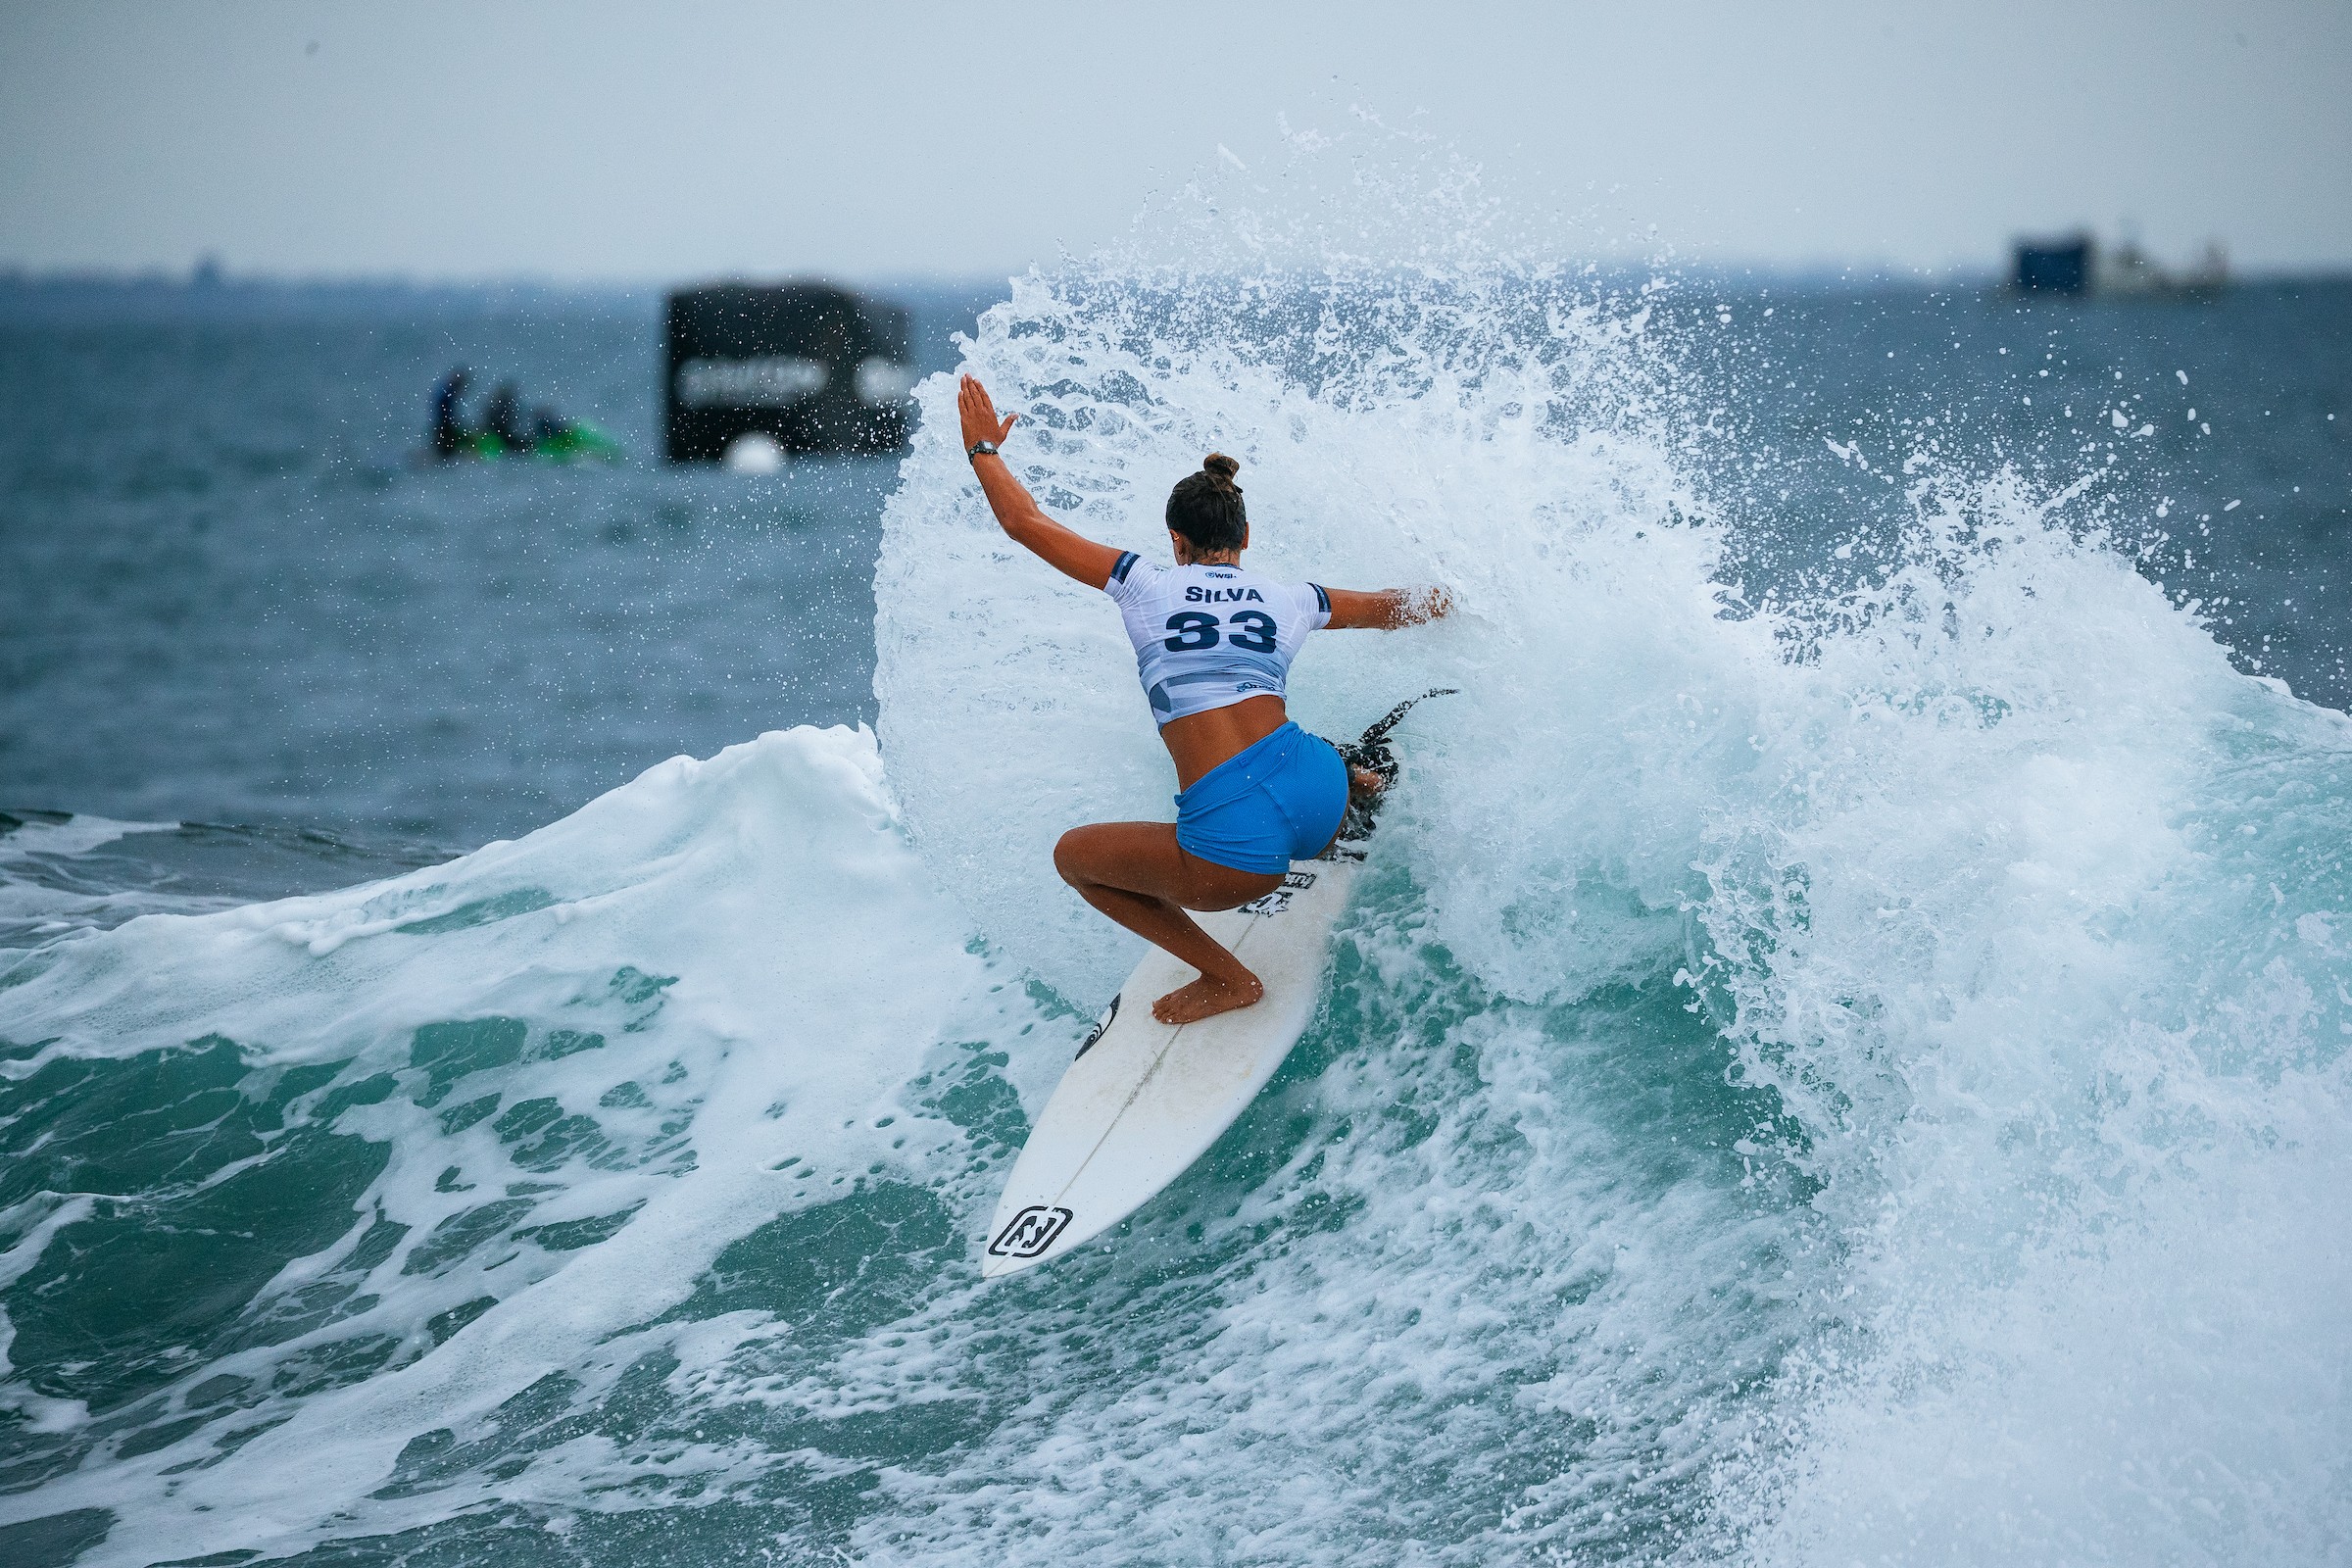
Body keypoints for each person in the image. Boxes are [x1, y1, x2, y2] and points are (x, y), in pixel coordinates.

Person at [958, 374, 1451, 1024]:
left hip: (1236, 859)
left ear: (1176, 541)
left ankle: (1228, 979)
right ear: (1244, 540)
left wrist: (984, 451)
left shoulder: (1142, 584)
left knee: (1074, 859)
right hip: (1318, 796)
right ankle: (1356, 784)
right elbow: (1397, 609)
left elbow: (1024, 522)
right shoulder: (1293, 598)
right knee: (1278, 729)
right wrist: (1471, 598)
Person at [429, 368, 471, 460]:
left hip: (443, 426)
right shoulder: (448, 395)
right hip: (445, 427)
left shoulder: (445, 393)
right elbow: (445, 414)